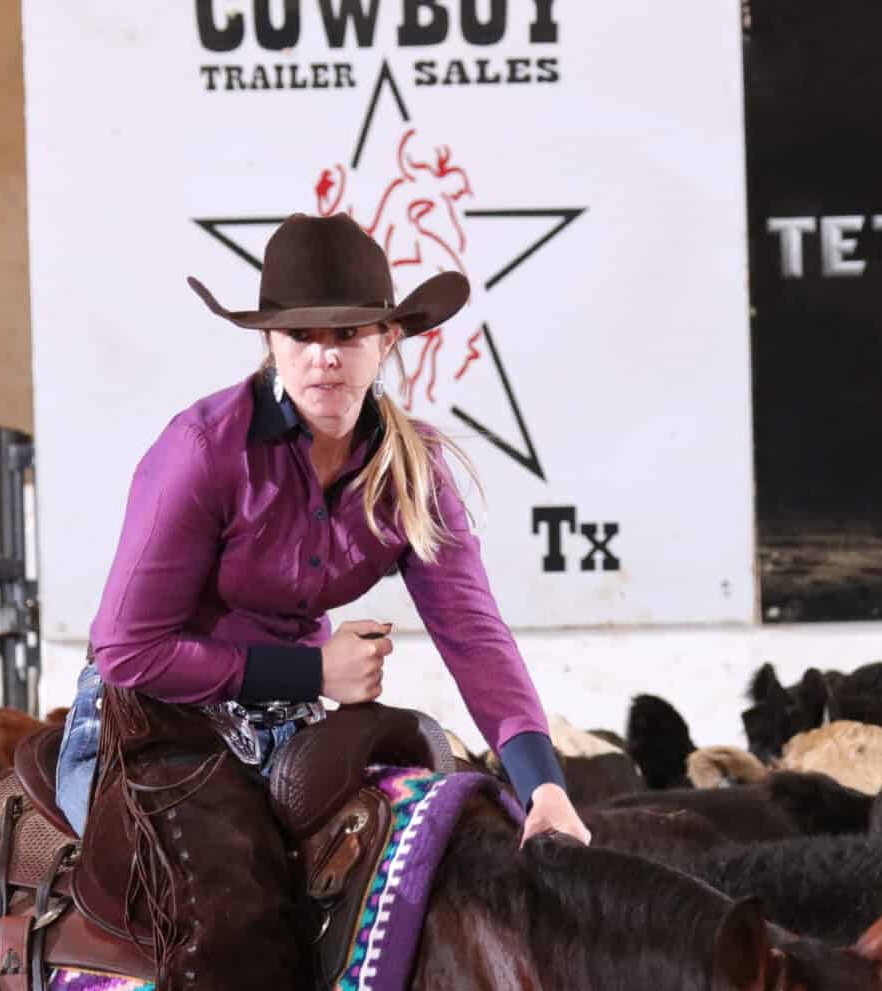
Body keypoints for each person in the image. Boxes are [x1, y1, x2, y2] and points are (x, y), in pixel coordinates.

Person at [55, 211, 591, 850]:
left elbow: (473, 633)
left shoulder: (412, 467)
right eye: (300, 335)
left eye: (348, 333)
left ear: (387, 339)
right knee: (216, 911)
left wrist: (544, 788)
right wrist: (312, 672)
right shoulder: (203, 450)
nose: (325, 357)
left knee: (426, 861)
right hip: (147, 725)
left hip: (293, 732)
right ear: (271, 344)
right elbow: (127, 655)